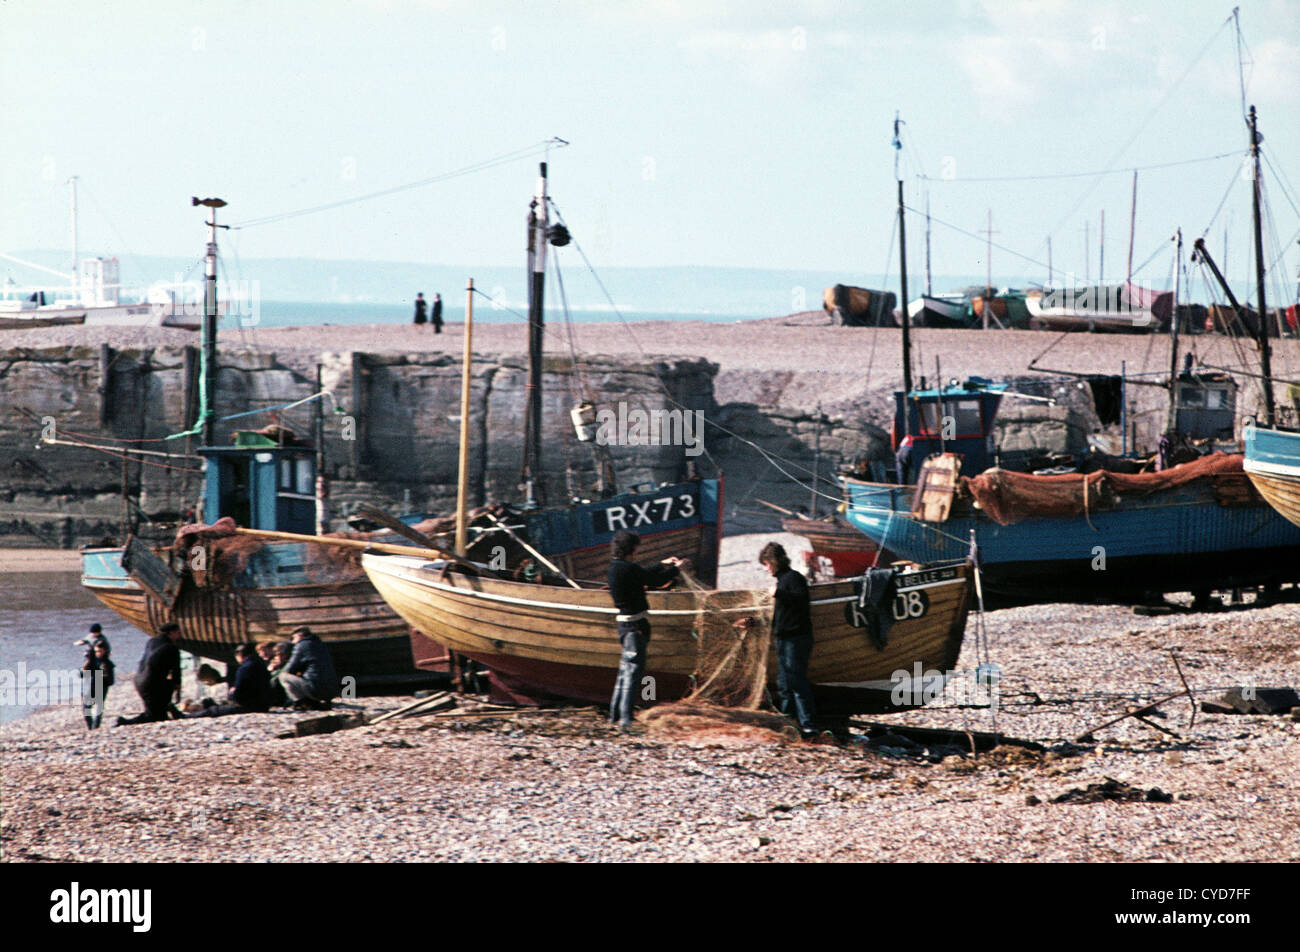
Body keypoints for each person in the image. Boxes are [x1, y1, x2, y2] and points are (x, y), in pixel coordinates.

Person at [607, 529, 683, 731]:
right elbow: (654, 580)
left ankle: (614, 715)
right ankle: (625, 720)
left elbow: (643, 574)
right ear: (631, 550)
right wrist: (677, 569)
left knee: (624, 672)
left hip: (624, 626)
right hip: (634, 627)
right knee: (633, 674)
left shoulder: (615, 567)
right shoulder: (628, 569)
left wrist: (662, 564)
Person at [759, 541, 818, 739]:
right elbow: (780, 614)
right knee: (784, 685)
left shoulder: (793, 578)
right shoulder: (782, 580)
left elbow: (801, 599)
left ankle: (809, 726)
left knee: (797, 682)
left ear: (774, 561)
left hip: (797, 638)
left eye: (766, 564)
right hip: (784, 639)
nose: (766, 569)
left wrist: (779, 594)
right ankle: (787, 722)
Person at [116, 621, 182, 726]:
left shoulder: (151, 641)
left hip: (139, 680)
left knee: (157, 713)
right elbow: (176, 671)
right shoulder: (171, 648)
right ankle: (125, 722)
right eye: (178, 633)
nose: (179, 636)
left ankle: (163, 711)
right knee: (154, 716)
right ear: (171, 633)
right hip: (152, 684)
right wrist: (178, 688)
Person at [187, 643, 273, 718]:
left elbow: (238, 692)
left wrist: (232, 694)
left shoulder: (244, 668)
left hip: (251, 706)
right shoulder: (261, 664)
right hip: (264, 704)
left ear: (239, 655)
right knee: (216, 705)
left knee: (214, 710)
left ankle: (186, 716)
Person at [279, 626, 340, 710]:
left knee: (283, 676)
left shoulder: (301, 645)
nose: (292, 642)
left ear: (300, 636)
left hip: (315, 689)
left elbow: (290, 669)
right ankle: (318, 702)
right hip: (332, 690)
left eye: (293, 638)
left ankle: (302, 703)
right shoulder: (320, 644)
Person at [80, 641, 115, 729]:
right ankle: (90, 727)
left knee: (98, 710)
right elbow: (81, 675)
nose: (98, 654)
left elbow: (111, 681)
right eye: (96, 651)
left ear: (105, 651)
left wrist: (102, 678)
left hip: (101, 688)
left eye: (100, 651)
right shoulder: (91, 661)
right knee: (86, 709)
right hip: (89, 687)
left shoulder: (108, 664)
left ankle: (96, 727)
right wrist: (84, 669)